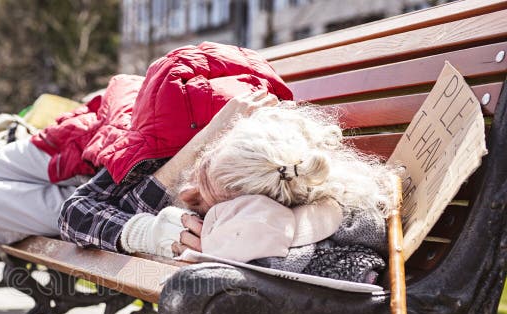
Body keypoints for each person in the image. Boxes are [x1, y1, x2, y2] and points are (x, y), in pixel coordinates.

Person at [0, 42, 292, 244]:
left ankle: (62, 185)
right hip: (100, 144)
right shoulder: (167, 136)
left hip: (100, 174)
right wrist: (200, 141)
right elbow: (89, 211)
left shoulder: (265, 174)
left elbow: (83, 212)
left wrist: (202, 141)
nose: (191, 194)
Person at [58, 94, 398, 284]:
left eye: (205, 201)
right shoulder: (187, 131)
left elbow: (81, 214)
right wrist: (204, 136)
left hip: (71, 181)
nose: (189, 192)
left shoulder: (271, 190)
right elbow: (75, 212)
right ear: (224, 140)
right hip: (87, 141)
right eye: (204, 167)